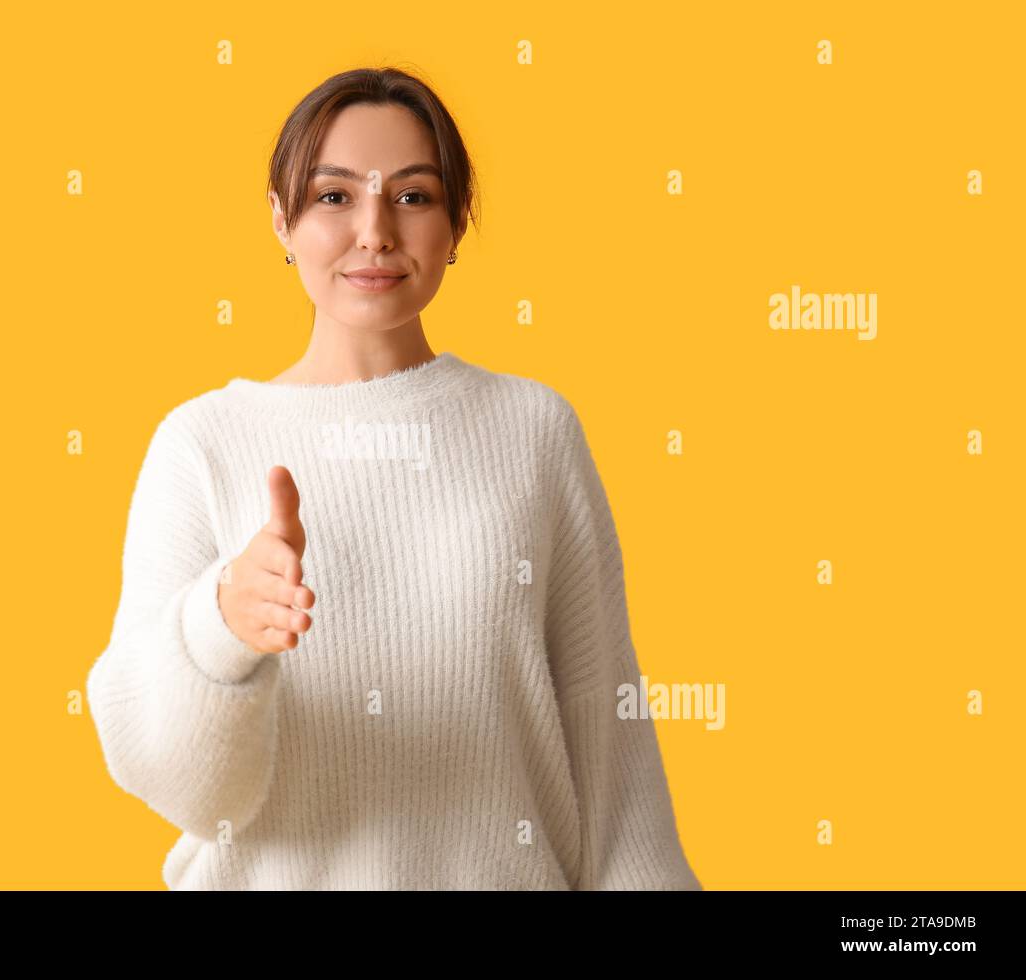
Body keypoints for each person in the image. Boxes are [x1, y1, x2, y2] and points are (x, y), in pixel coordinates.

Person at [86, 66, 702, 890]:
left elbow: (613, 756)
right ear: (281, 219)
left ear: (457, 223)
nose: (374, 232)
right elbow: (178, 786)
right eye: (334, 197)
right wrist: (221, 627)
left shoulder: (534, 432)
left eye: (412, 197)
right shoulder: (201, 442)